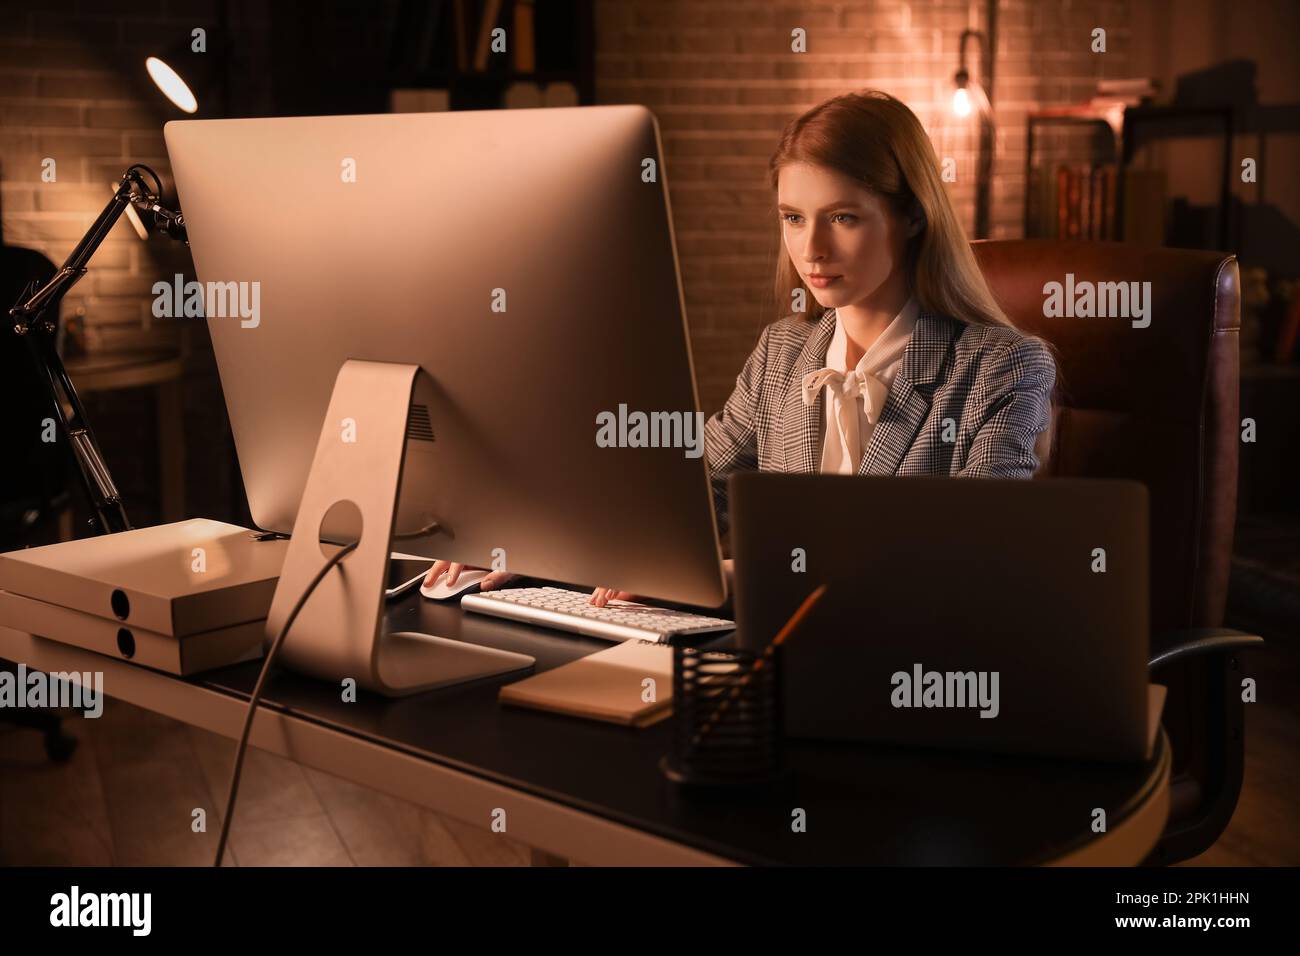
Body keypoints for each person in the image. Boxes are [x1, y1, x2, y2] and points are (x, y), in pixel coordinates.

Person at [426, 89, 1057, 605]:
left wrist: (735, 579)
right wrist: (538, 546)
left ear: (912, 216)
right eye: (793, 218)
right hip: (768, 661)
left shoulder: (1004, 367)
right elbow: (694, 489)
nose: (811, 250)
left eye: (843, 218)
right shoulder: (783, 353)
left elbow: (971, 560)